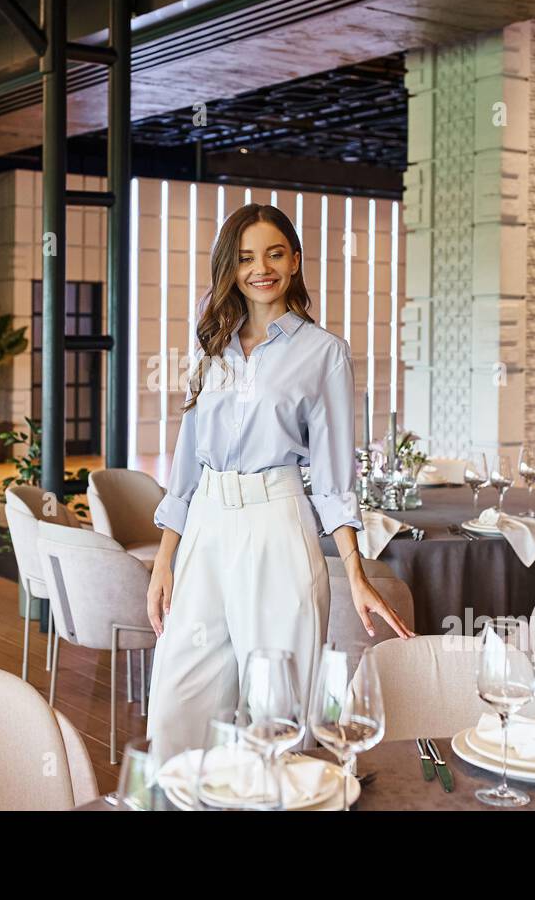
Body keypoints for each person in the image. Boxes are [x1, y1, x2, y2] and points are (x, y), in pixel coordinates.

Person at [144, 203, 414, 760]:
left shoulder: (324, 354)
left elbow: (334, 475)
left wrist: (355, 571)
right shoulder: (212, 344)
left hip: (278, 523)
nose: (259, 268)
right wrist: (165, 558)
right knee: (177, 704)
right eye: (244, 258)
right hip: (206, 530)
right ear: (230, 268)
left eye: (273, 253)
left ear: (294, 260)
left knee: (277, 714)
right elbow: (188, 459)